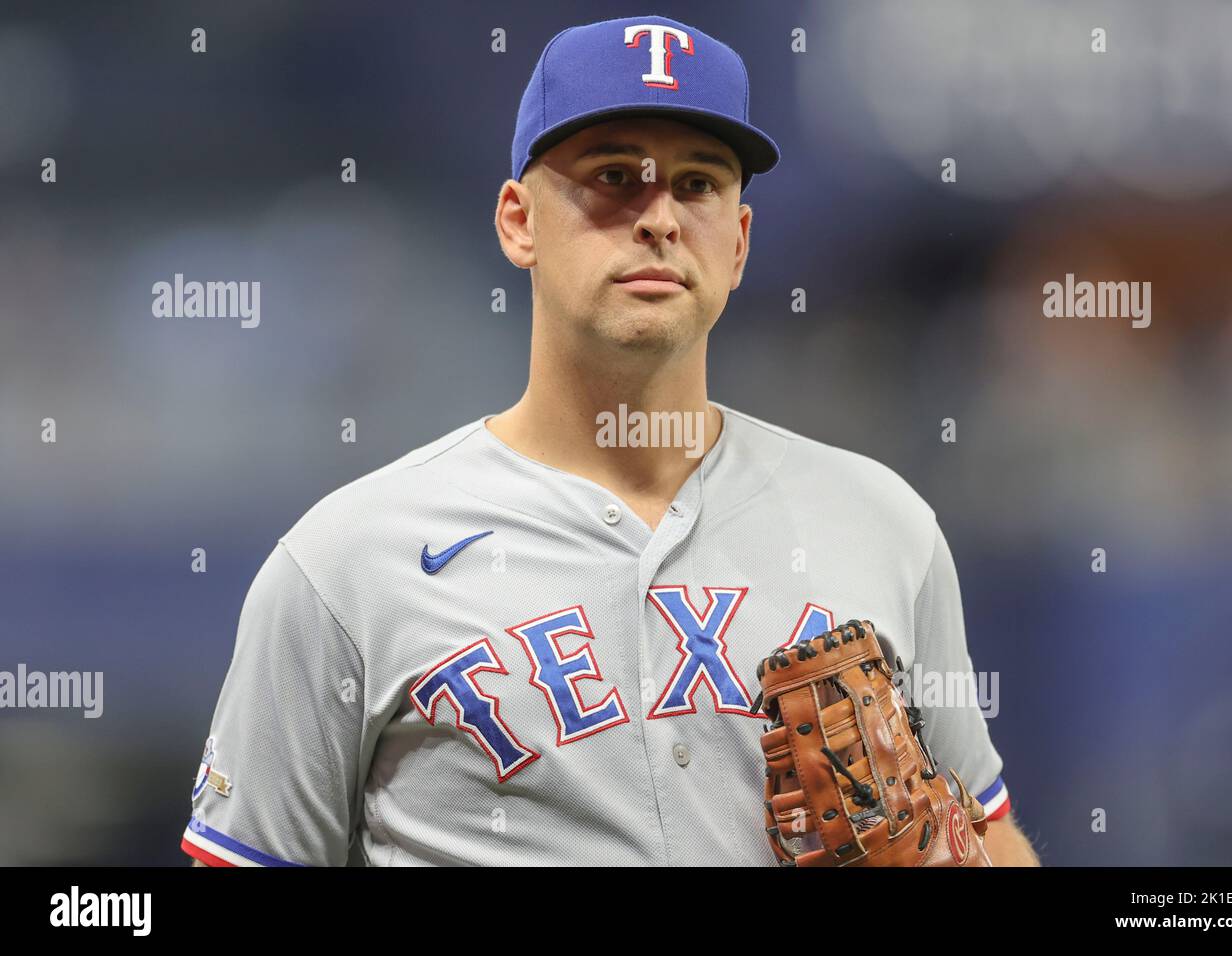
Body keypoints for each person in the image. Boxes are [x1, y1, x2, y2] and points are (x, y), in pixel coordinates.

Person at [182, 14, 1039, 867]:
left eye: (699, 185)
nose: (660, 217)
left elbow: (990, 833)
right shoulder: (347, 566)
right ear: (518, 222)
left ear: (739, 244)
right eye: (615, 176)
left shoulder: (882, 523)